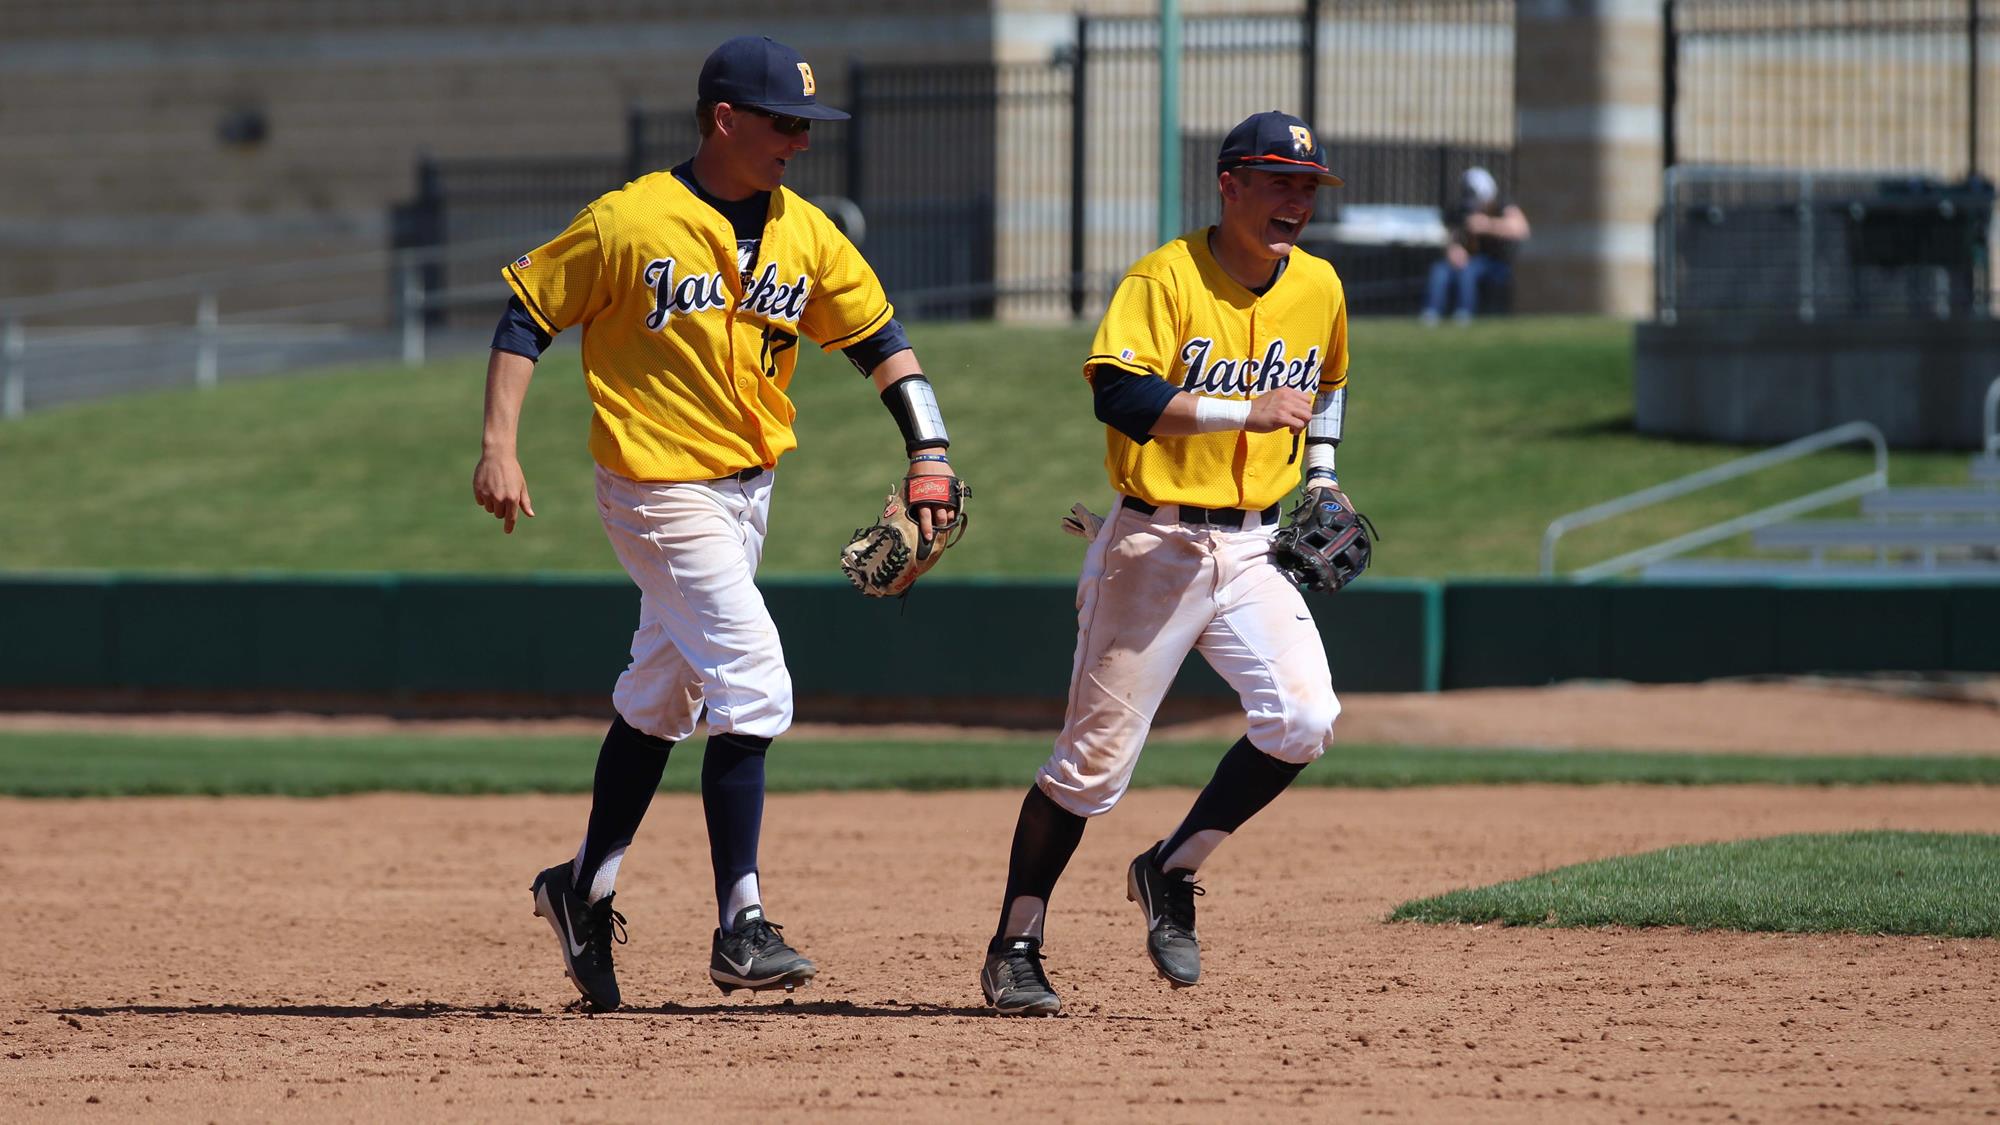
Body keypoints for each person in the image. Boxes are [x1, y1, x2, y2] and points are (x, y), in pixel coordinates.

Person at [473, 35, 963, 1012]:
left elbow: (881, 344)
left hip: (746, 494)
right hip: (653, 489)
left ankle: (581, 889)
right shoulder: (628, 220)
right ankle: (741, 922)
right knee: (754, 677)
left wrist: (930, 454)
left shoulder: (807, 235)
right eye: (784, 124)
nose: (800, 142)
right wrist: (499, 446)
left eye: (808, 127)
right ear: (724, 120)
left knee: (663, 696)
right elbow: (527, 313)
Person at [977, 110, 1353, 1016]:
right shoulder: (1166, 276)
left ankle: (1171, 868)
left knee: (1304, 717)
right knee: (1093, 769)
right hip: (1153, 544)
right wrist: (1242, 415)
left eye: (1306, 186)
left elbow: (1327, 385)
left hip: (1256, 545)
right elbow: (1118, 391)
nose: (1294, 201)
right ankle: (1013, 945)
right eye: (1276, 182)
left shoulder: (1320, 286)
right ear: (1228, 185)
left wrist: (1327, 479)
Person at [1420, 165, 1529, 325]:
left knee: (1469, 270)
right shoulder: (1461, 209)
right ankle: (1431, 313)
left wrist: (1488, 226)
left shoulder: (1502, 205)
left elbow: (1522, 229)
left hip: (1496, 263)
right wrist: (1453, 250)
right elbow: (1451, 235)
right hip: (1467, 260)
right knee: (1440, 270)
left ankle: (1464, 314)